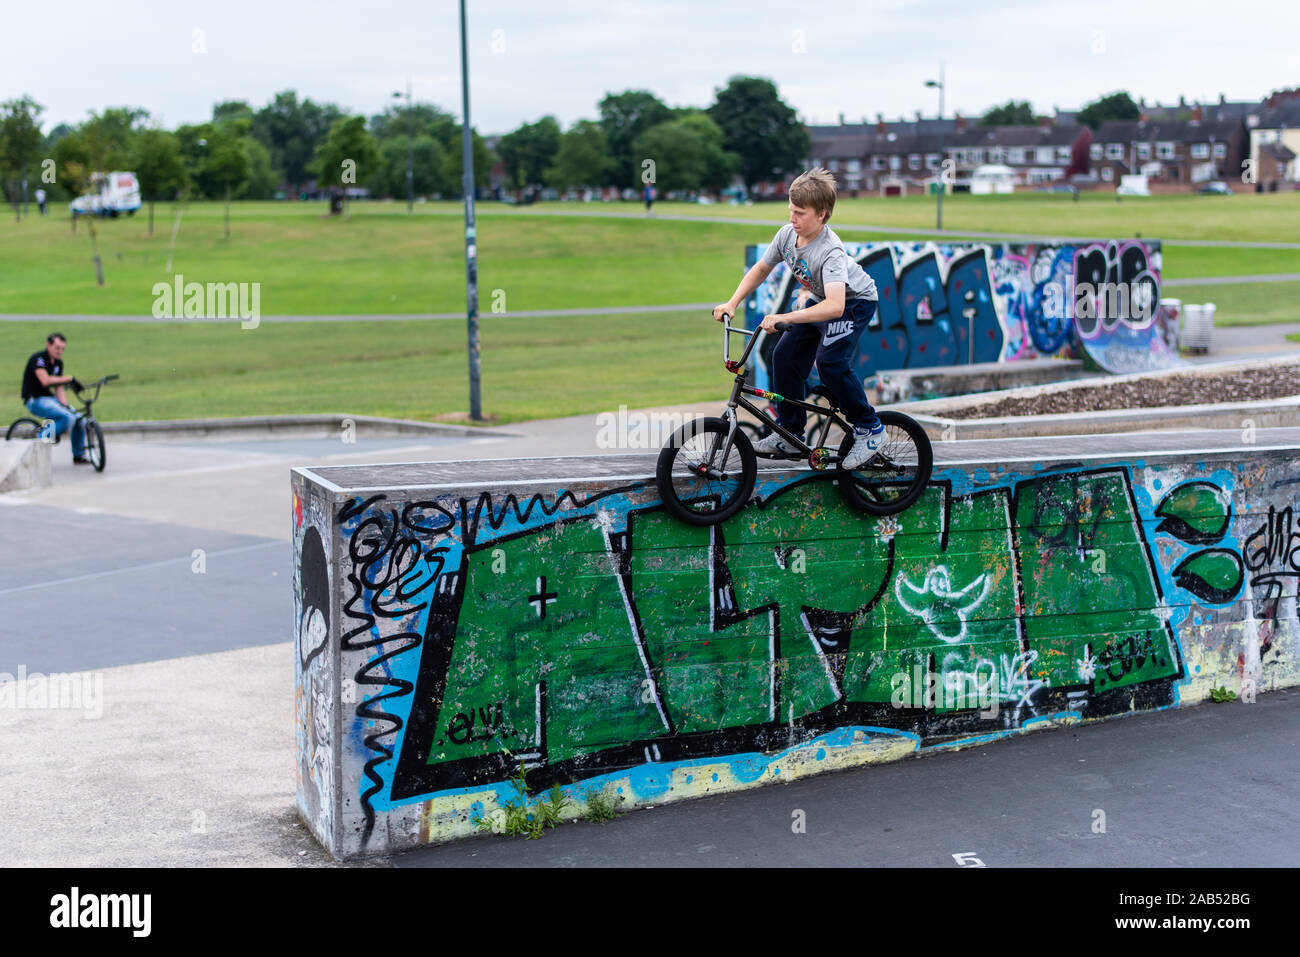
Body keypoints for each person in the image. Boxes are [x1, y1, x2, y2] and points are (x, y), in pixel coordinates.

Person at [712, 167, 884, 468]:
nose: (793, 219)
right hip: (823, 300)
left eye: (800, 213)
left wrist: (786, 316)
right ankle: (791, 433)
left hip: (854, 303)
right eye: (791, 211)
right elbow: (761, 269)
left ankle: (870, 428)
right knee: (784, 357)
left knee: (831, 363)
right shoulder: (787, 235)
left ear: (823, 215)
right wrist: (732, 302)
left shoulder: (829, 251)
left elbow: (835, 307)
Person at [20, 332, 89, 464]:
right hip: (35, 399)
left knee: (79, 419)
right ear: (48, 345)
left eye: (62, 349)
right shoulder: (38, 359)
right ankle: (38, 448)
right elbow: (45, 381)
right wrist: (69, 379)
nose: (60, 351)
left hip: (50, 399)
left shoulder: (58, 363)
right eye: (57, 348)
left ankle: (79, 455)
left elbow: (59, 387)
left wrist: (65, 405)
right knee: (67, 418)